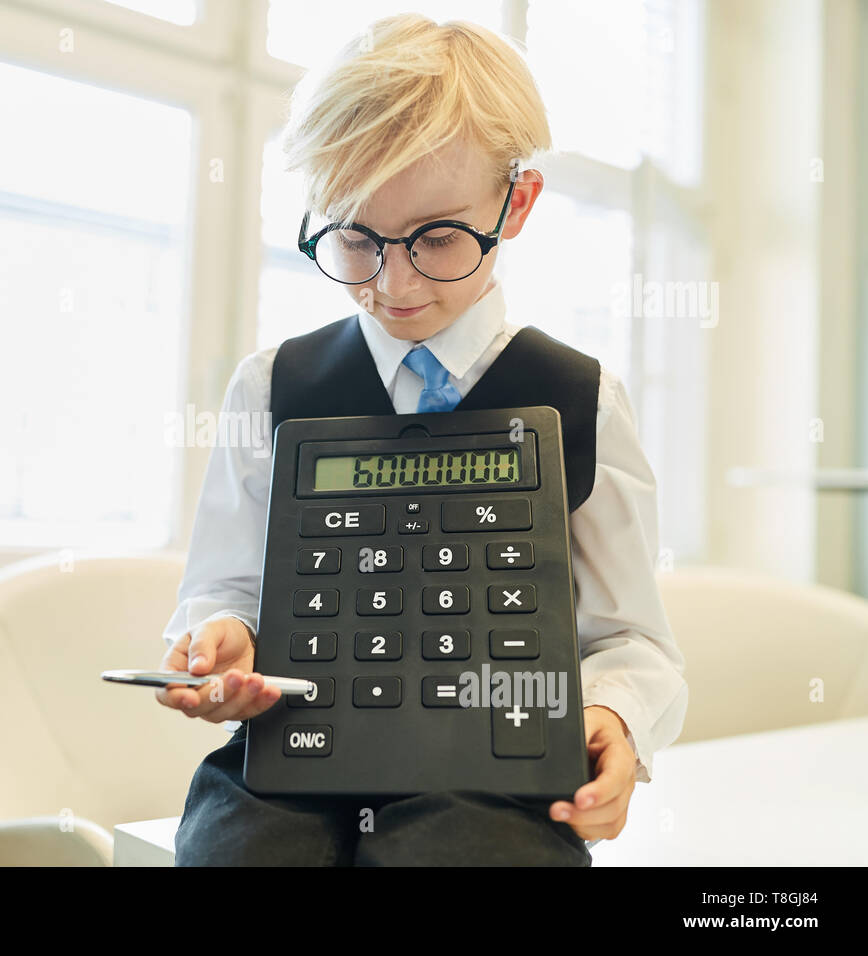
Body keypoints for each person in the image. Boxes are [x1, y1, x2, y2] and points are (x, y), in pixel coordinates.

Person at [156, 14, 688, 866]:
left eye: (437, 238)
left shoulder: (583, 402)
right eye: (356, 238)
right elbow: (224, 584)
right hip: (289, 760)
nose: (393, 284)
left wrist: (614, 717)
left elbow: (633, 639)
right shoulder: (270, 387)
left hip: (494, 776)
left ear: (516, 204)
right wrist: (223, 637)